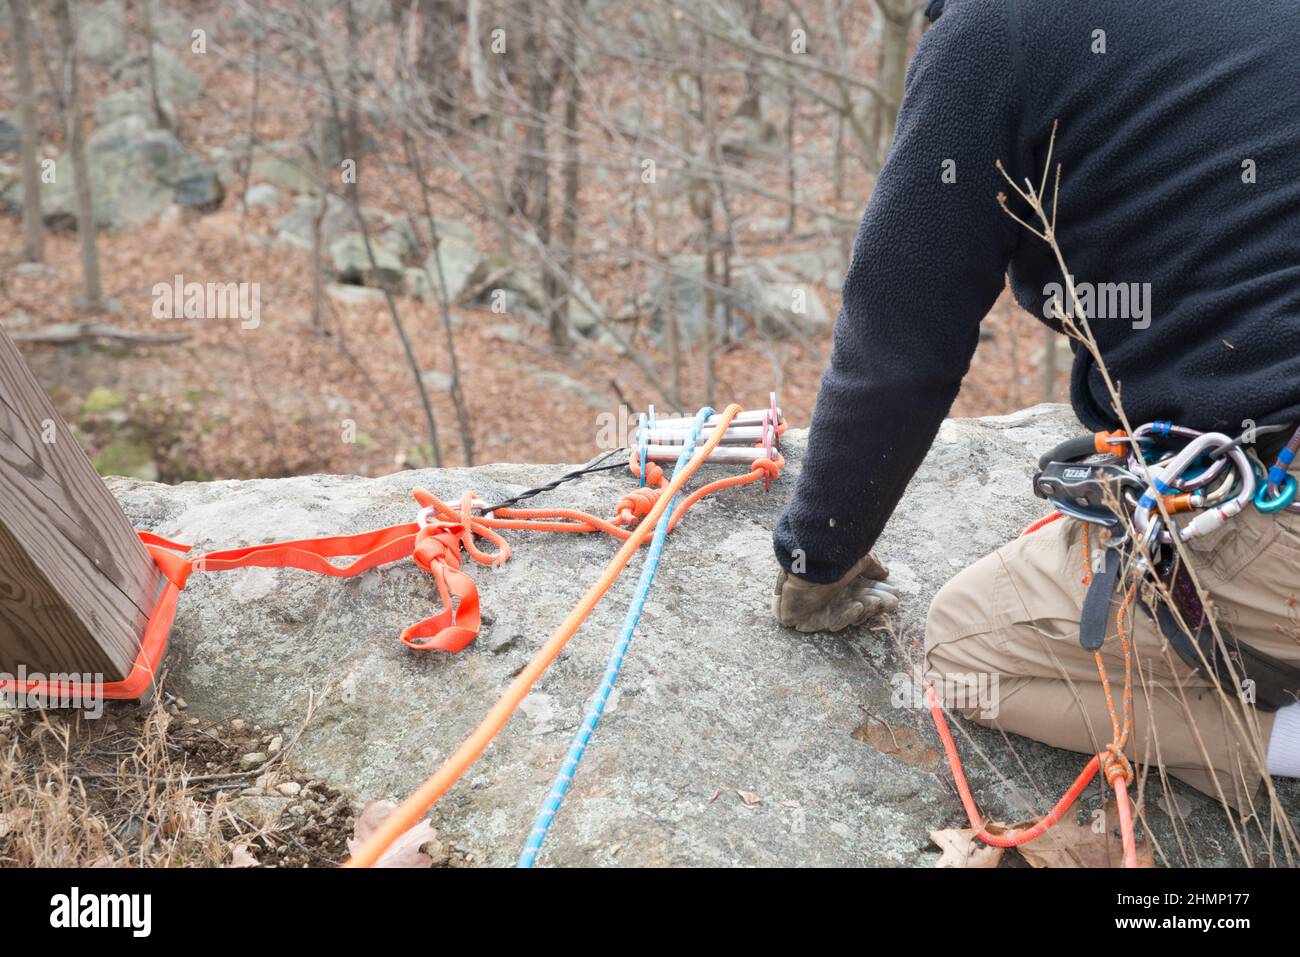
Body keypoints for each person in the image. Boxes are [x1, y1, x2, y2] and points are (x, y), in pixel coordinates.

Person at [770, 0, 1300, 809]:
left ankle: (1281, 741)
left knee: (966, 649)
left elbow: (903, 337)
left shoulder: (996, 33)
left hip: (1274, 505)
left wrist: (820, 552)